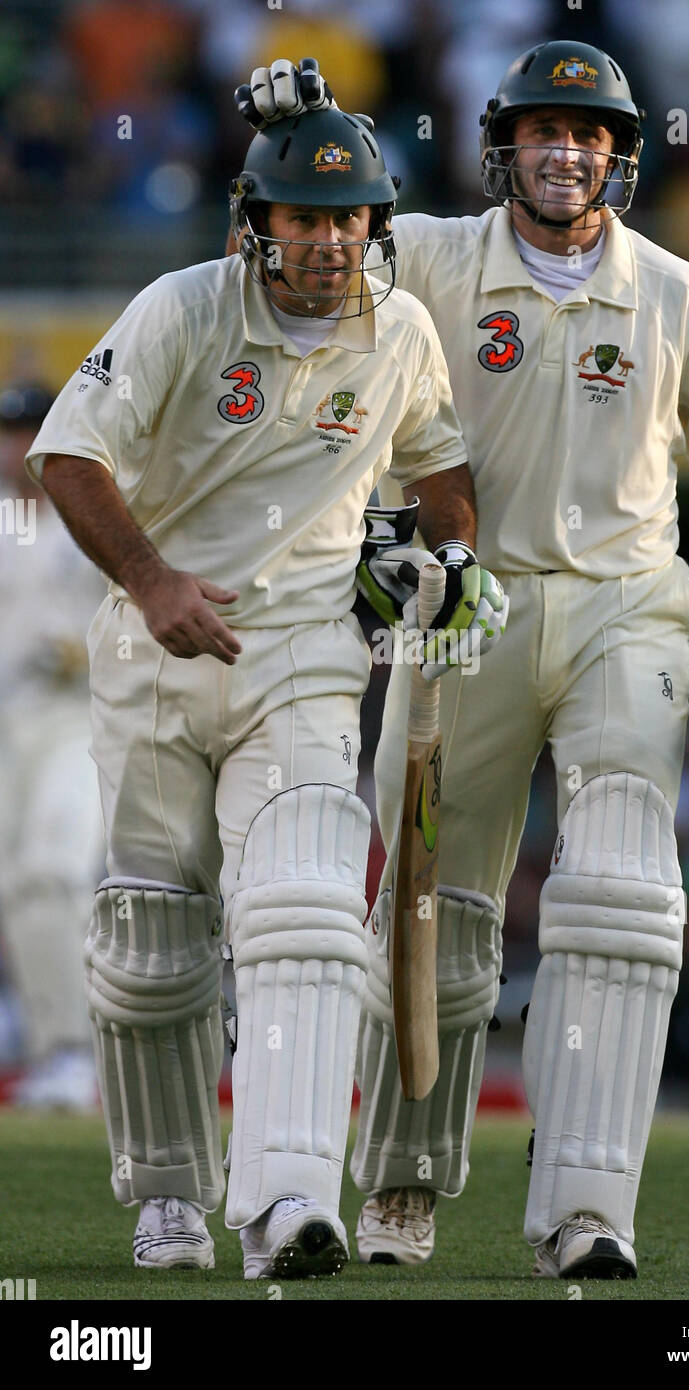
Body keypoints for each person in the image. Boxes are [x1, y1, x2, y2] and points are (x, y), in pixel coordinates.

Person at [237, 45, 689, 1279]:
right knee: (435, 915)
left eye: (590, 133)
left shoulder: (676, 292)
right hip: (464, 605)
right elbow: (314, 262)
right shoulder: (438, 261)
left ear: (620, 157)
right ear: (502, 145)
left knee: (625, 890)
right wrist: (309, 136)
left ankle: (586, 1209)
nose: (566, 151)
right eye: (544, 131)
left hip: (626, 604)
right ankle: (406, 1179)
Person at [25, 97, 506, 1280]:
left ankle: (290, 1195)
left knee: (301, 906)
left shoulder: (398, 335)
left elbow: (440, 470)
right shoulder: (182, 310)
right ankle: (172, 1196)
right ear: (256, 223)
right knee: (151, 945)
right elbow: (67, 456)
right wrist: (151, 582)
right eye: (306, 218)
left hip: (302, 652)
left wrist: (445, 562)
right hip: (154, 654)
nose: (331, 242)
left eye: (351, 220)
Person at [0, 383, 104, 1110]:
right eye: (8, 432)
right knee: (18, 888)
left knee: (55, 870)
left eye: (28, 431)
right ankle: (49, 1048)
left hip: (81, 719)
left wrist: (81, 654)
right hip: (10, 724)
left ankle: (77, 1053)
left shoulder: (91, 520)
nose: (16, 447)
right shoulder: (6, 523)